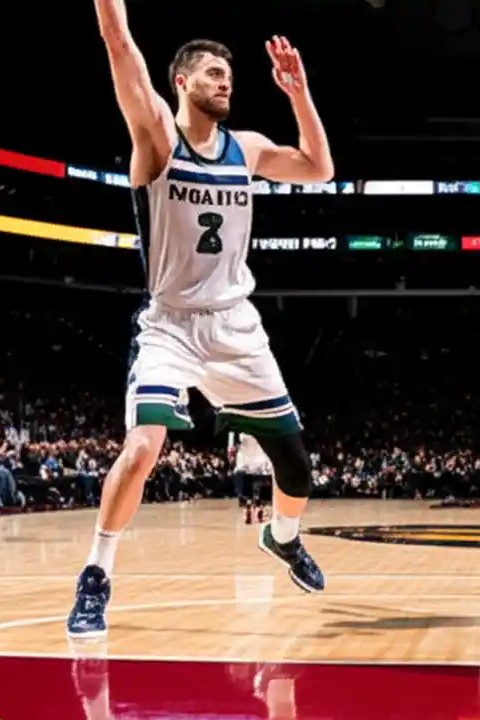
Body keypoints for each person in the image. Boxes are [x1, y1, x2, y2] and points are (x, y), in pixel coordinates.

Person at [67, 0, 334, 638]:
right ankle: (96, 574)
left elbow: (320, 168)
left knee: (296, 469)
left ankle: (283, 536)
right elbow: (119, 44)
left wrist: (299, 93)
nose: (226, 82)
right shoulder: (158, 136)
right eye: (213, 73)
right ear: (181, 81)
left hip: (237, 326)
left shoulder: (247, 148)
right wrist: (110, 13)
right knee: (142, 448)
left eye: (229, 75)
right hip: (172, 325)